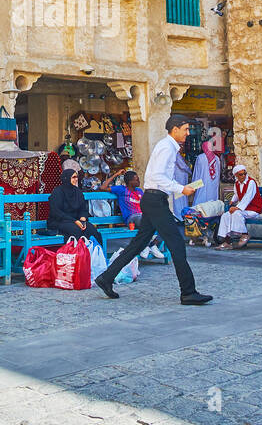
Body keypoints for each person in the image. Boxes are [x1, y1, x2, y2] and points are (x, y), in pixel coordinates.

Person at [94, 115, 212, 305]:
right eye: (186, 129)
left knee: (138, 245)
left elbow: (159, 177)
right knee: (176, 243)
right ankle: (188, 292)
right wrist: (181, 188)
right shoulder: (167, 147)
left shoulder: (169, 147)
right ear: (175, 129)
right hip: (155, 200)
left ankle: (106, 278)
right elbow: (158, 176)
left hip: (153, 199)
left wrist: (178, 188)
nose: (188, 133)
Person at [102, 168, 165, 261]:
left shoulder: (139, 191)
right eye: (136, 179)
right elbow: (103, 187)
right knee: (146, 220)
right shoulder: (121, 190)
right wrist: (116, 174)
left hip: (143, 216)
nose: (139, 181)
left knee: (165, 220)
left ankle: (151, 245)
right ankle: (148, 245)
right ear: (130, 181)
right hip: (132, 218)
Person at [47, 168, 104, 244]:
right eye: (73, 177)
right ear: (66, 178)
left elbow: (83, 208)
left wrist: (83, 218)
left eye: (76, 177)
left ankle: (95, 253)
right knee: (75, 230)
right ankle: (76, 254)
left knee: (90, 228)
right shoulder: (58, 192)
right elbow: (56, 212)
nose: (76, 179)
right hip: (59, 221)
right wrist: (74, 221)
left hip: (76, 221)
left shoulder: (77, 192)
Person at [216, 164, 262, 249]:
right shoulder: (236, 183)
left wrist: (237, 207)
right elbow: (236, 195)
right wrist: (232, 201)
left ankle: (244, 234)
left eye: (245, 173)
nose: (243, 176)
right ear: (236, 175)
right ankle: (226, 240)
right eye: (241, 174)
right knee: (226, 215)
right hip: (244, 210)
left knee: (236, 213)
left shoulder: (251, 182)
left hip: (253, 209)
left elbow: (248, 197)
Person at [190, 139, 220, 206]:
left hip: (201, 183)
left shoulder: (200, 157)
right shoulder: (217, 158)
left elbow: (197, 173)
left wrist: (194, 184)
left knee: (200, 200)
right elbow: (218, 174)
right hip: (213, 184)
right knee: (212, 201)